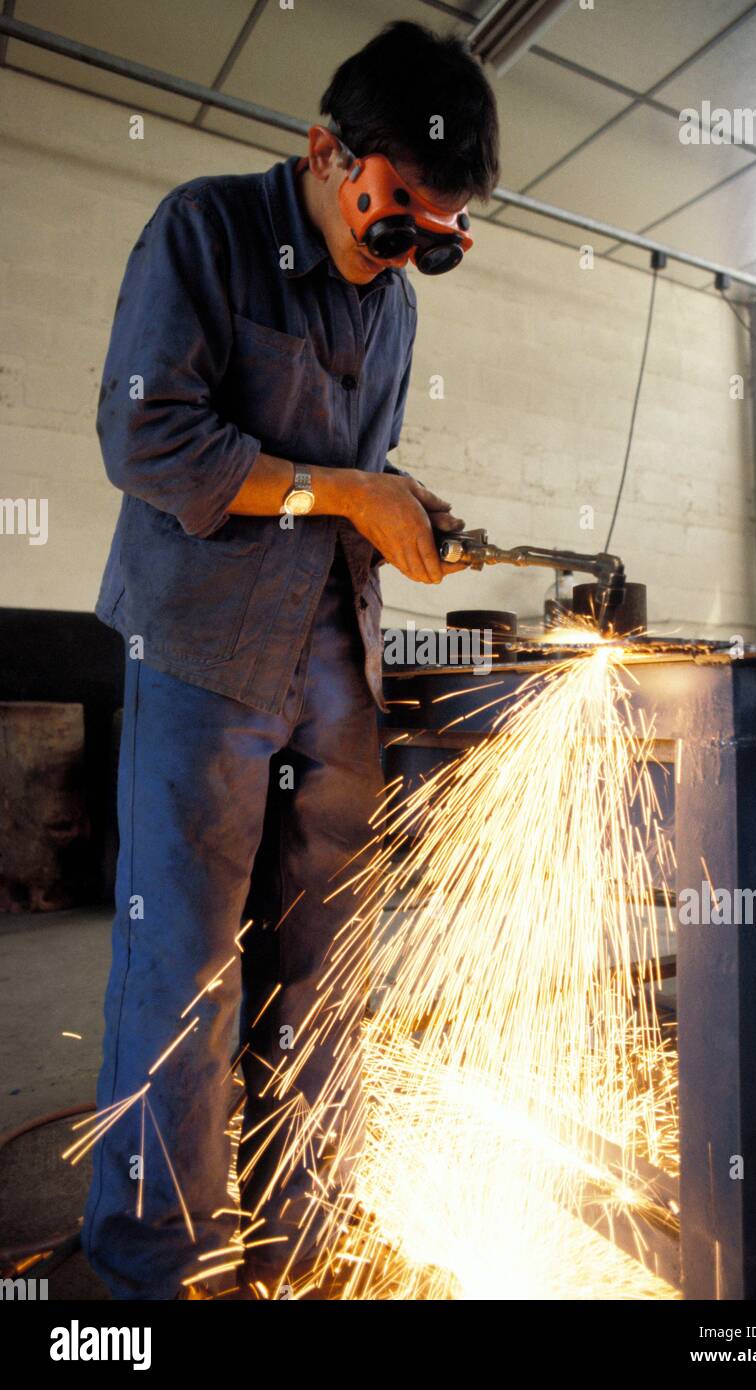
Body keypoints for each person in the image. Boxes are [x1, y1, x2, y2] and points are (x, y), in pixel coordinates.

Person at [82, 19, 499, 1300]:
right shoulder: (203, 231)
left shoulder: (395, 310)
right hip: (205, 651)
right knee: (188, 971)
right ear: (328, 153)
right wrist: (342, 491)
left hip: (334, 661)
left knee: (325, 968)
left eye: (438, 235)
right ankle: (155, 1269)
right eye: (395, 218)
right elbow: (146, 437)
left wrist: (401, 512)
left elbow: (348, 486)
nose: (407, 254)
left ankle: (307, 1229)